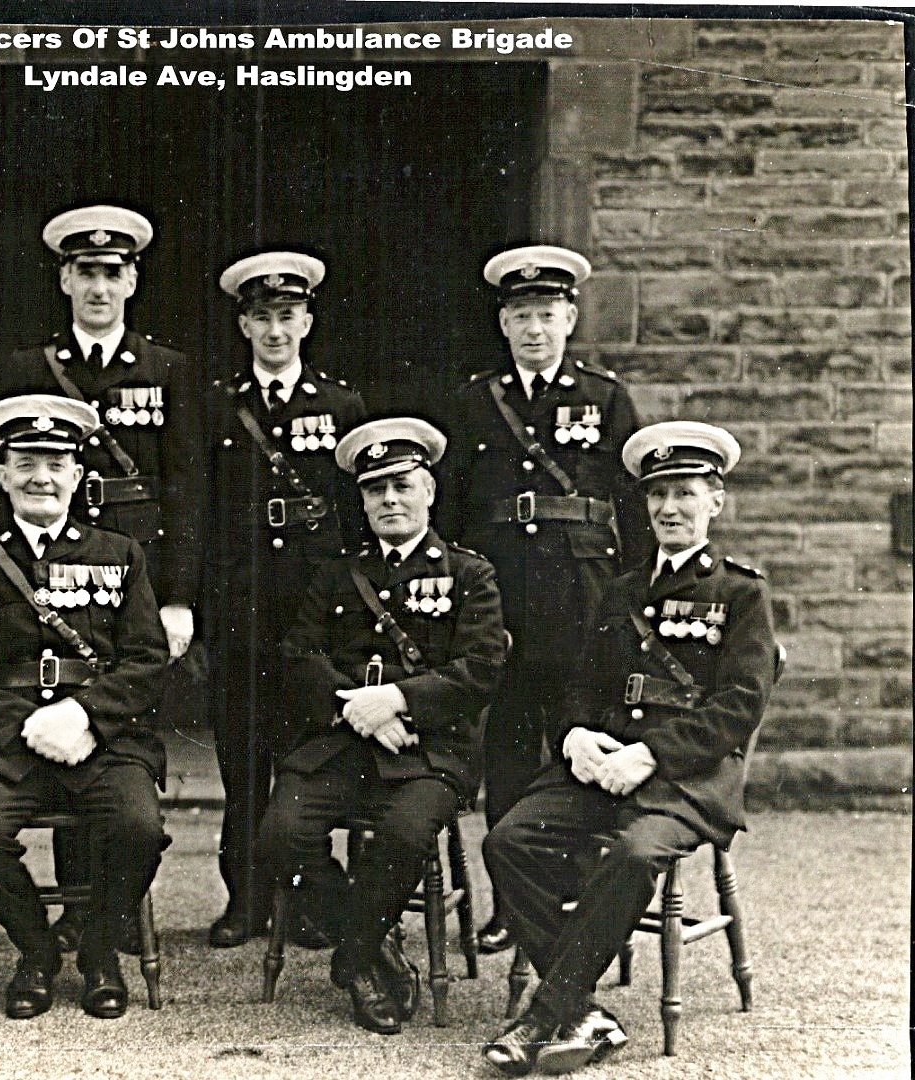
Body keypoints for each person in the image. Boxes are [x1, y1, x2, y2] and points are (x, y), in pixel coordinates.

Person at [481, 421, 778, 1076]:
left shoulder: (741, 593)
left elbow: (738, 705)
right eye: (656, 497)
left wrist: (649, 756)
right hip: (605, 763)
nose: (668, 509)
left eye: (683, 494)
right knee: (508, 839)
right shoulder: (619, 590)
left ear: (714, 501)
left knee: (634, 852)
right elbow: (583, 685)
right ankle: (583, 1012)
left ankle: (547, 1010)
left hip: (683, 778)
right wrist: (577, 736)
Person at [0, 205, 204, 952]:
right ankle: (80, 912)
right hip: (53, 566)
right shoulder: (30, 369)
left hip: (130, 570)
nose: (99, 288)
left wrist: (178, 596)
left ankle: (94, 911)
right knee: (56, 707)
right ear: (64, 279)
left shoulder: (165, 367)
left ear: (133, 279)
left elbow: (186, 487)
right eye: (86, 274)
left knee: (109, 720)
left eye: (113, 274)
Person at [257, 418, 508, 1034]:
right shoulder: (339, 574)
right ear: (362, 501)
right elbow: (298, 656)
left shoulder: (470, 574)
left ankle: (354, 959)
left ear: (429, 491)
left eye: (402, 484)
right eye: (375, 490)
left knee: (400, 834)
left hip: (428, 750)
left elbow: (480, 668)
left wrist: (398, 698)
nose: (389, 500)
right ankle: (369, 942)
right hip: (343, 741)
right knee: (278, 837)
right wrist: (360, 712)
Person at [0, 395, 170, 1021]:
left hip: (102, 738)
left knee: (139, 828)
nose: (42, 476)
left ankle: (98, 951)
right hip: (7, 743)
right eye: (27, 461)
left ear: (78, 475)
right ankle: (36, 949)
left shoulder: (120, 554)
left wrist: (84, 716)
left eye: (57, 462)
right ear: (3, 474)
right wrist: (29, 725)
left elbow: (147, 660)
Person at [448, 245, 651, 954]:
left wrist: (638, 598)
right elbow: (452, 511)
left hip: (583, 594)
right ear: (503, 324)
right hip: (502, 593)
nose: (535, 329)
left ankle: (579, 890)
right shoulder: (476, 402)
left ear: (569, 317)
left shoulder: (604, 397)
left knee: (581, 735)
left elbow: (632, 506)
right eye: (520, 316)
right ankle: (513, 903)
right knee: (506, 749)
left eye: (546, 314)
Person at [204, 251, 367, 948]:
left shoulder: (339, 406)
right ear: (244, 324)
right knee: (243, 764)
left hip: (313, 610)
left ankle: (303, 899)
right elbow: (197, 507)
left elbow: (357, 516)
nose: (275, 331)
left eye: (287, 316)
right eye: (262, 318)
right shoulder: (217, 403)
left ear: (308, 320)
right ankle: (245, 901)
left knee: (307, 755)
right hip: (241, 603)